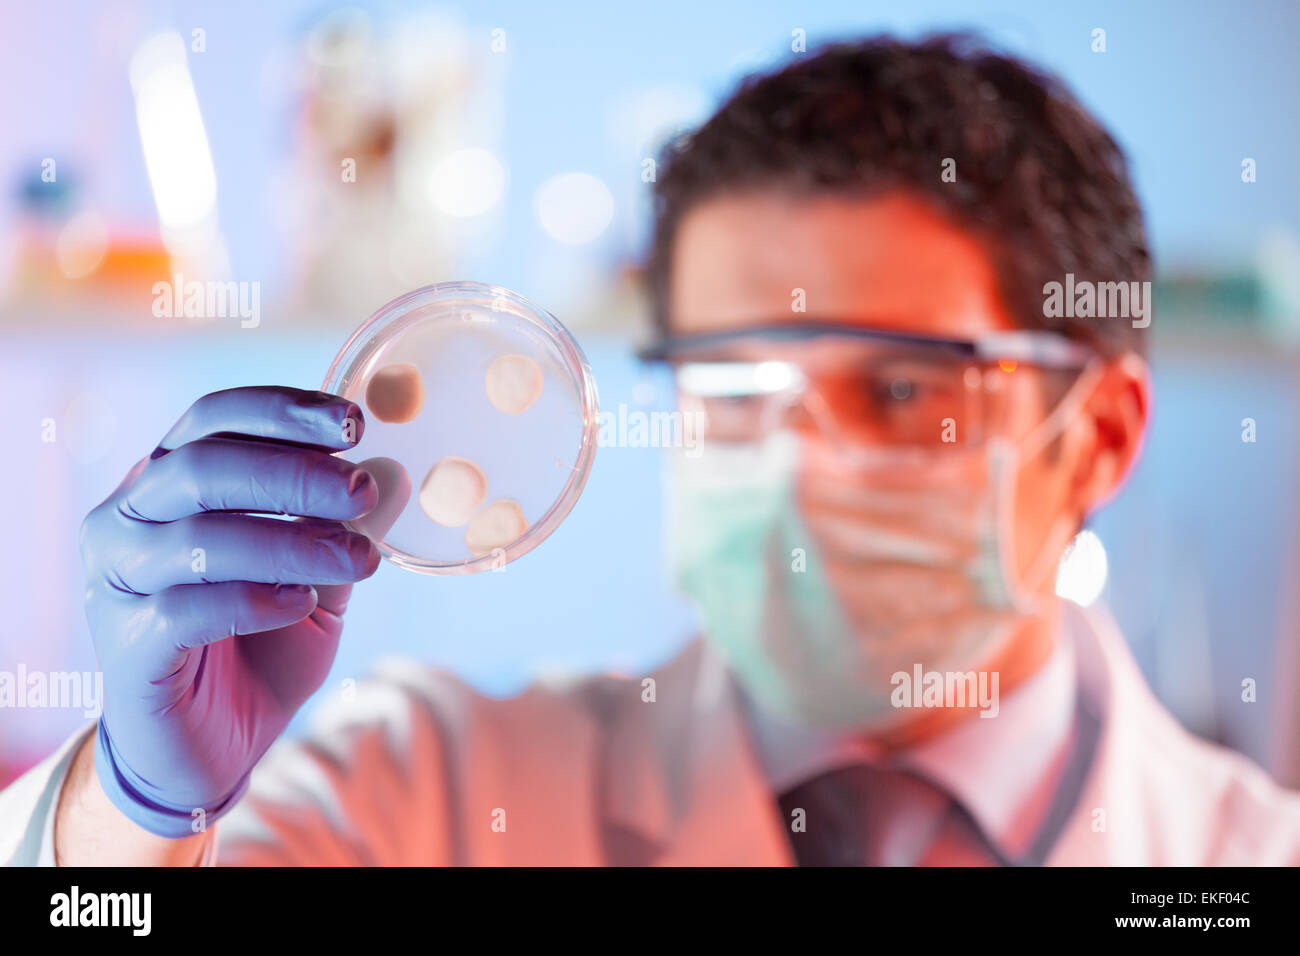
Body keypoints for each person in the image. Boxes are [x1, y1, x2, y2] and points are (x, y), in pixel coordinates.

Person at [4, 34, 1299, 867]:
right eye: (733, 390)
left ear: (1101, 434)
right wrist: (135, 814)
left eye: (902, 389)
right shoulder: (429, 790)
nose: (799, 463)